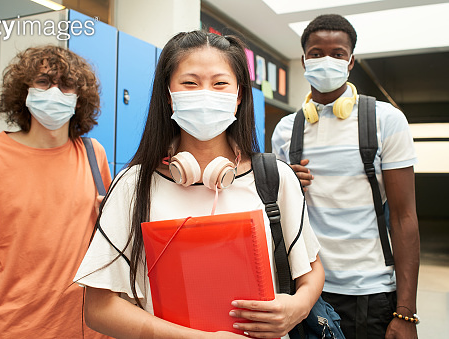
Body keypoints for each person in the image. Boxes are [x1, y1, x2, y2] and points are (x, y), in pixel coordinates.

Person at [74, 30, 324, 339]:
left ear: (239, 96)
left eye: (220, 84)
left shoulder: (275, 178)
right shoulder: (133, 185)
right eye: (190, 83)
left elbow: (311, 269)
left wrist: (297, 307)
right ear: (169, 94)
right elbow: (98, 309)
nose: (206, 93)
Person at [0, 45, 112, 338]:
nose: (55, 92)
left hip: (90, 330)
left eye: (67, 85)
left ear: (79, 97)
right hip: (14, 329)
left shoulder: (92, 154)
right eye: (44, 82)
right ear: (24, 91)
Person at [271, 14, 420, 339]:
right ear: (304, 60)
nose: (326, 60)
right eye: (316, 53)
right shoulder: (286, 130)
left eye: (337, 54)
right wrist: (288, 186)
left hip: (370, 292)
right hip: (308, 288)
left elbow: (404, 216)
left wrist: (406, 313)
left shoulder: (385, 120)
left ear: (350, 61)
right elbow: (279, 217)